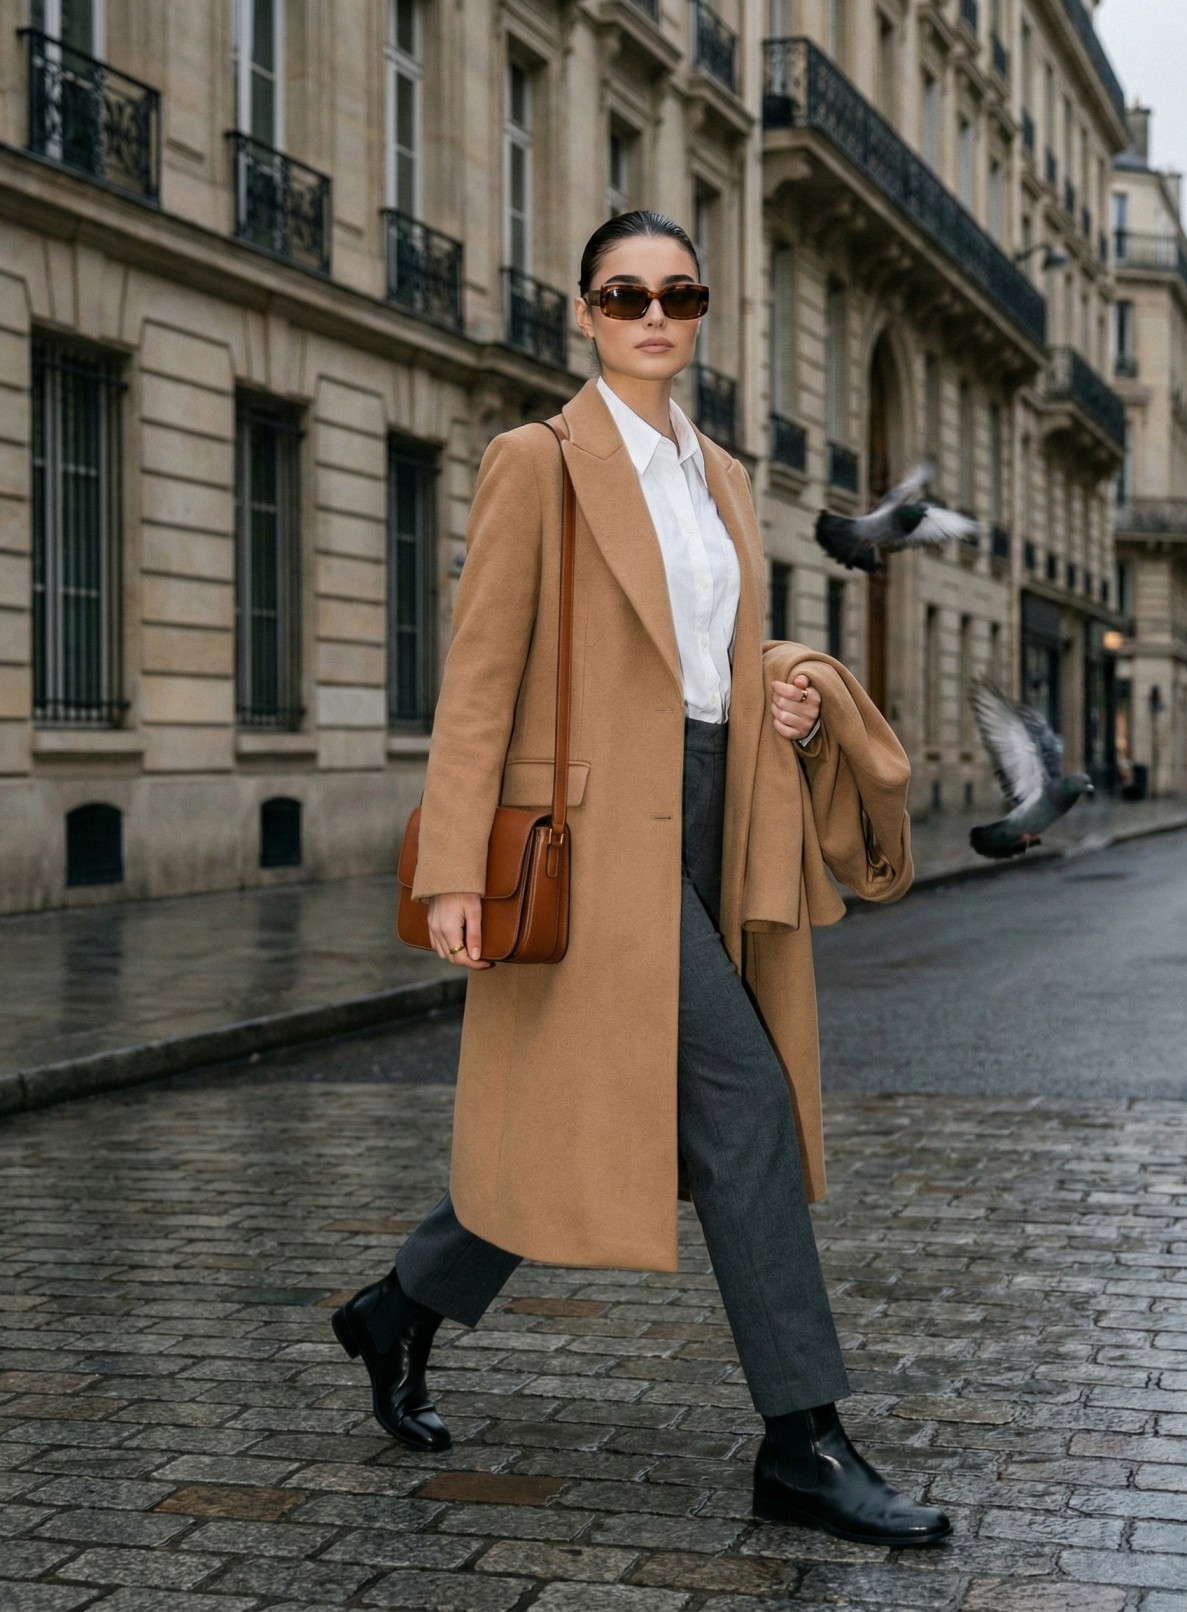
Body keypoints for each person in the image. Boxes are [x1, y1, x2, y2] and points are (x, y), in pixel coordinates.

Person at [332, 210, 951, 1549]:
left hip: (715, 815)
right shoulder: (537, 461)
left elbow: (700, 647)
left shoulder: (722, 475)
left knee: (595, 1115)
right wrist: (451, 867)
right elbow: (482, 672)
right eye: (626, 294)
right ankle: (803, 1438)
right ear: (588, 311)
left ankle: (397, 1310)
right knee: (746, 1107)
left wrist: (778, 689)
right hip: (594, 836)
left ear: (701, 309)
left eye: (678, 293)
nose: (654, 314)